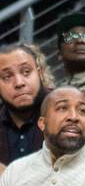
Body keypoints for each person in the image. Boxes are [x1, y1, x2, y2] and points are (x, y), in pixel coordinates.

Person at [0, 44, 51, 173]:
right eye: (7, 77)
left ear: (40, 73)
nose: (19, 83)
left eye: (26, 72)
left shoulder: (66, 110)